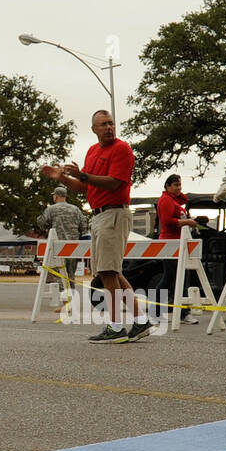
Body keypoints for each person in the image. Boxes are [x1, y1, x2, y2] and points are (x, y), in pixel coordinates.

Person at [42, 110, 150, 343]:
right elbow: (85, 188)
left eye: (111, 123)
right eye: (103, 124)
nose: (108, 127)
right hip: (100, 215)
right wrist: (62, 179)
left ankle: (116, 327)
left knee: (108, 271)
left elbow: (113, 183)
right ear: (94, 129)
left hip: (114, 213)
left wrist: (83, 176)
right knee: (110, 270)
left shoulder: (122, 149)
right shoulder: (92, 151)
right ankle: (141, 321)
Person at [155, 174, 199, 325]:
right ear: (167, 186)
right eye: (175, 185)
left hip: (178, 243)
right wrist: (187, 221)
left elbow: (184, 200)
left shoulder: (173, 199)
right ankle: (183, 312)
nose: (179, 188)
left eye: (180, 185)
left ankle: (157, 311)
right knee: (178, 278)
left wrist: (178, 192)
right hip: (170, 243)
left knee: (170, 278)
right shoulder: (165, 200)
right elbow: (167, 221)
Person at [36, 185, 88, 302]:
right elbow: (84, 227)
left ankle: (66, 303)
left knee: (60, 274)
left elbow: (42, 223)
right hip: (73, 247)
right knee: (71, 275)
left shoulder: (51, 209)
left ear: (56, 196)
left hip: (58, 247)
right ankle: (71, 301)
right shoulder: (76, 209)